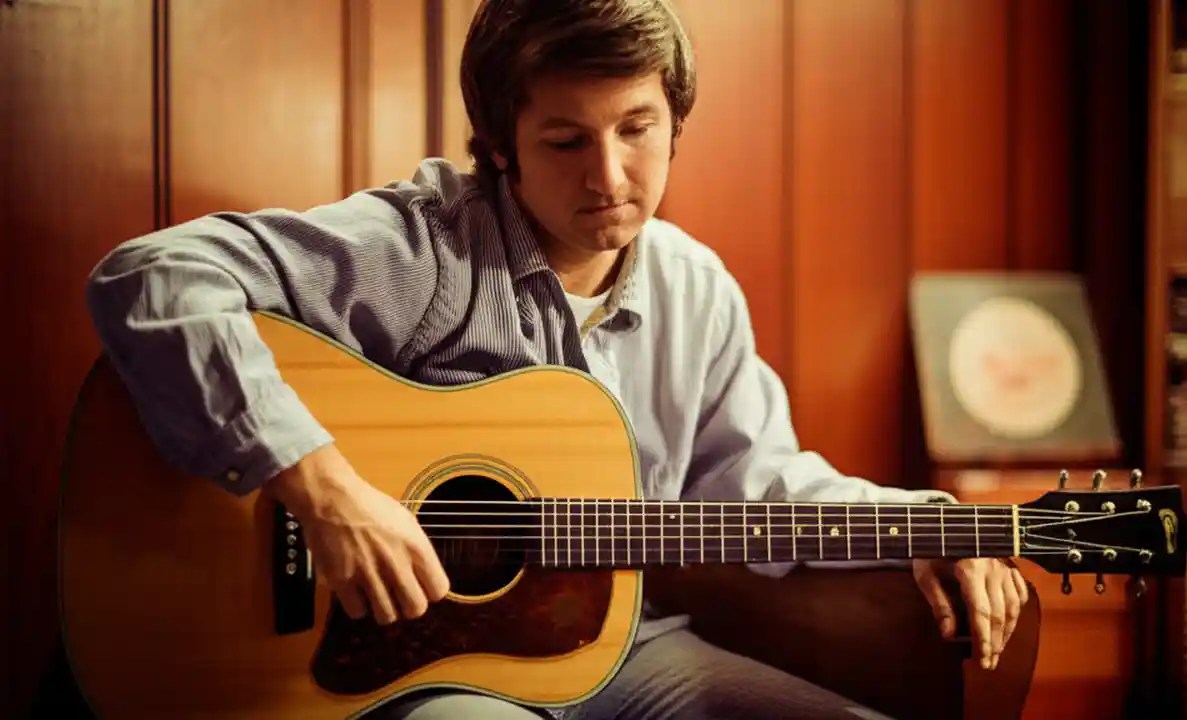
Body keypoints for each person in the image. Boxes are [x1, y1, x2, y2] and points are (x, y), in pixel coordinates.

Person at [85, 0, 1029, 718]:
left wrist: (928, 522)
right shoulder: (425, 249)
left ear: (674, 122)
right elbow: (153, 277)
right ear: (499, 146)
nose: (610, 178)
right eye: (566, 140)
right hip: (420, 675)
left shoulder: (696, 288)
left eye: (637, 130)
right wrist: (323, 490)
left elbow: (760, 485)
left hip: (629, 656)